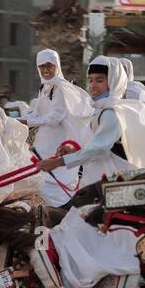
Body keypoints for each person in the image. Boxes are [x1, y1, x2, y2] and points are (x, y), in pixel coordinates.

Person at [31, 57, 145, 288]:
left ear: (113, 81)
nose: (92, 86)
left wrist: (59, 161)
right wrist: (72, 150)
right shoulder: (120, 109)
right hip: (113, 186)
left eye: (99, 80)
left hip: (109, 193)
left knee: (67, 235)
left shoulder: (111, 111)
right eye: (90, 80)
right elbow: (106, 147)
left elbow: (100, 148)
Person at [22, 48, 96, 207]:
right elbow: (36, 114)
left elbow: (54, 118)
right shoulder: (45, 87)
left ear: (57, 66)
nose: (46, 70)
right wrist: (13, 120)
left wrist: (26, 122)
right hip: (45, 142)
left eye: (49, 66)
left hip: (58, 143)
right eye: (42, 67)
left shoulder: (60, 88)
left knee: (56, 181)